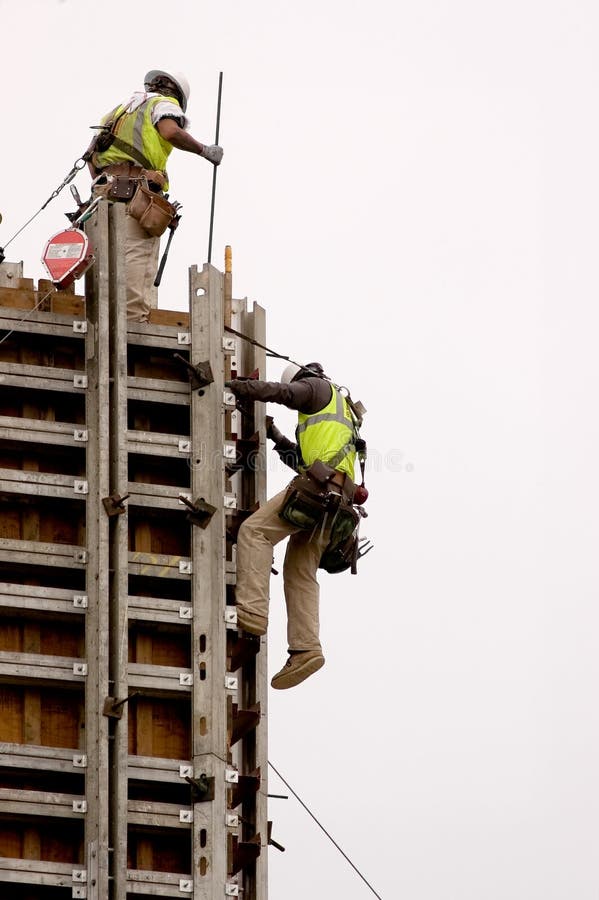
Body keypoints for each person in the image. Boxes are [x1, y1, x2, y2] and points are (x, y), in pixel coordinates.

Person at [226, 362, 359, 689]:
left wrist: (240, 387)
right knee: (300, 572)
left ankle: (252, 612)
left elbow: (283, 393)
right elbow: (301, 459)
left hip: (316, 491)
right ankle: (306, 649)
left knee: (255, 532)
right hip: (338, 501)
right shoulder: (341, 412)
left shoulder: (316, 388)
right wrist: (274, 435)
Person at [86, 69, 223, 322]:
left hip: (102, 198)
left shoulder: (118, 112)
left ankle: (101, 329)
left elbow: (91, 161)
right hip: (136, 200)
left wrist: (108, 183)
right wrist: (205, 151)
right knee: (134, 281)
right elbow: (170, 131)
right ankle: (131, 340)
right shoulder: (163, 104)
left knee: (103, 272)